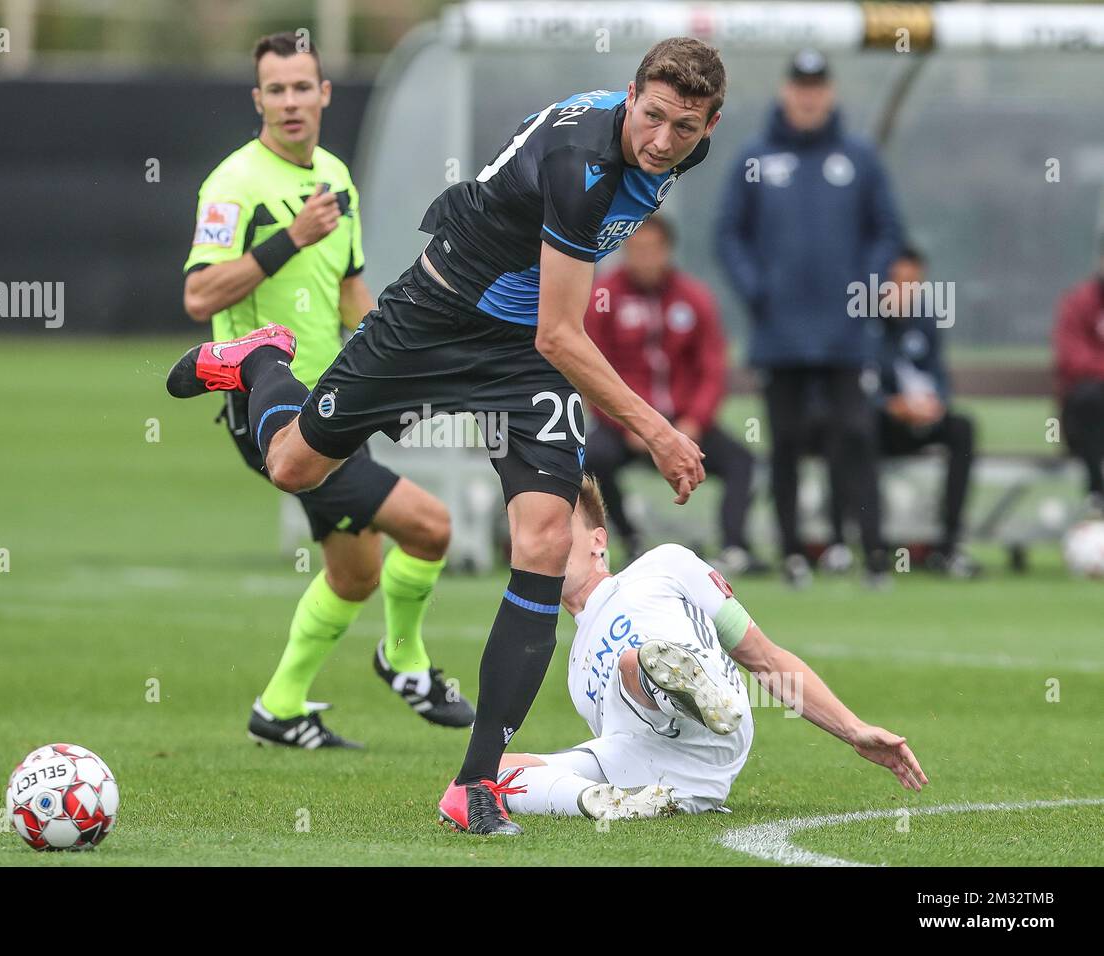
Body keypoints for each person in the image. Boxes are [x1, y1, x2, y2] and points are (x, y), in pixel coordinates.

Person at [167, 37, 717, 834]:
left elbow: (548, 332)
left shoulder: (672, 143)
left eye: (687, 128)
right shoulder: (580, 166)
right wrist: (659, 432)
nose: (664, 141)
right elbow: (564, 336)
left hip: (520, 355)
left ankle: (476, 785)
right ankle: (258, 365)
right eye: (655, 117)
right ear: (630, 96)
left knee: (544, 540)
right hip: (441, 313)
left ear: (710, 124)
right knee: (290, 466)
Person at [179, 33, 471, 748]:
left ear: (323, 93)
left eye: (300, 87)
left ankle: (279, 708)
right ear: (258, 100)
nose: (289, 102)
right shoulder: (232, 185)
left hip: (338, 401)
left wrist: (395, 351)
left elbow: (347, 288)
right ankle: (405, 662)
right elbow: (198, 296)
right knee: (432, 526)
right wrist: (291, 237)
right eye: (274, 90)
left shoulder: (336, 177)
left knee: (355, 573)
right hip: (272, 413)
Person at [495, 476, 928, 820]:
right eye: (535, 534)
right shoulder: (574, 669)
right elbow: (623, 744)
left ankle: (694, 693)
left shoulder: (664, 564)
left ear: (598, 541)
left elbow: (764, 657)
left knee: (632, 661)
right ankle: (604, 802)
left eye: (559, 529)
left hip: (721, 723)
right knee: (491, 773)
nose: (544, 543)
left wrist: (853, 729)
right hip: (665, 774)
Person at [716, 49, 901, 588]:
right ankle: (793, 554)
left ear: (831, 94)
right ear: (785, 91)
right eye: (799, 86)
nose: (808, 96)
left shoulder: (860, 158)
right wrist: (757, 290)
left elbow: (886, 231)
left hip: (846, 333)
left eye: (817, 87)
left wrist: (863, 286)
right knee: (787, 442)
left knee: (856, 435)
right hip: (780, 333)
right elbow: (729, 233)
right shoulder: (754, 158)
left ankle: (872, 554)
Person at [584, 213, 763, 573]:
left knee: (741, 462)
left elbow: (713, 369)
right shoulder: (604, 295)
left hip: (684, 422)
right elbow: (589, 367)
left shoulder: (695, 297)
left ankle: (732, 547)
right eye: (635, 249)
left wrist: (694, 422)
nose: (643, 258)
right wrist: (630, 425)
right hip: (628, 423)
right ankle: (628, 540)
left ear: (667, 251)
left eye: (652, 250)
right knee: (589, 461)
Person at [826, 248, 980, 577]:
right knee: (852, 429)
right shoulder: (861, 324)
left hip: (918, 422)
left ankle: (948, 546)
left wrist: (934, 402)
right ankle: (860, 544)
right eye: (898, 282)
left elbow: (938, 374)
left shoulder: (926, 322)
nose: (904, 291)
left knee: (963, 428)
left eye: (913, 283)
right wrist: (892, 405)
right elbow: (857, 387)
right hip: (879, 426)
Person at [1053, 238, 1104, 514]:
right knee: (1089, 397)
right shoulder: (1078, 302)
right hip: (1085, 421)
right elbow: (1072, 361)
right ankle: (1097, 492)